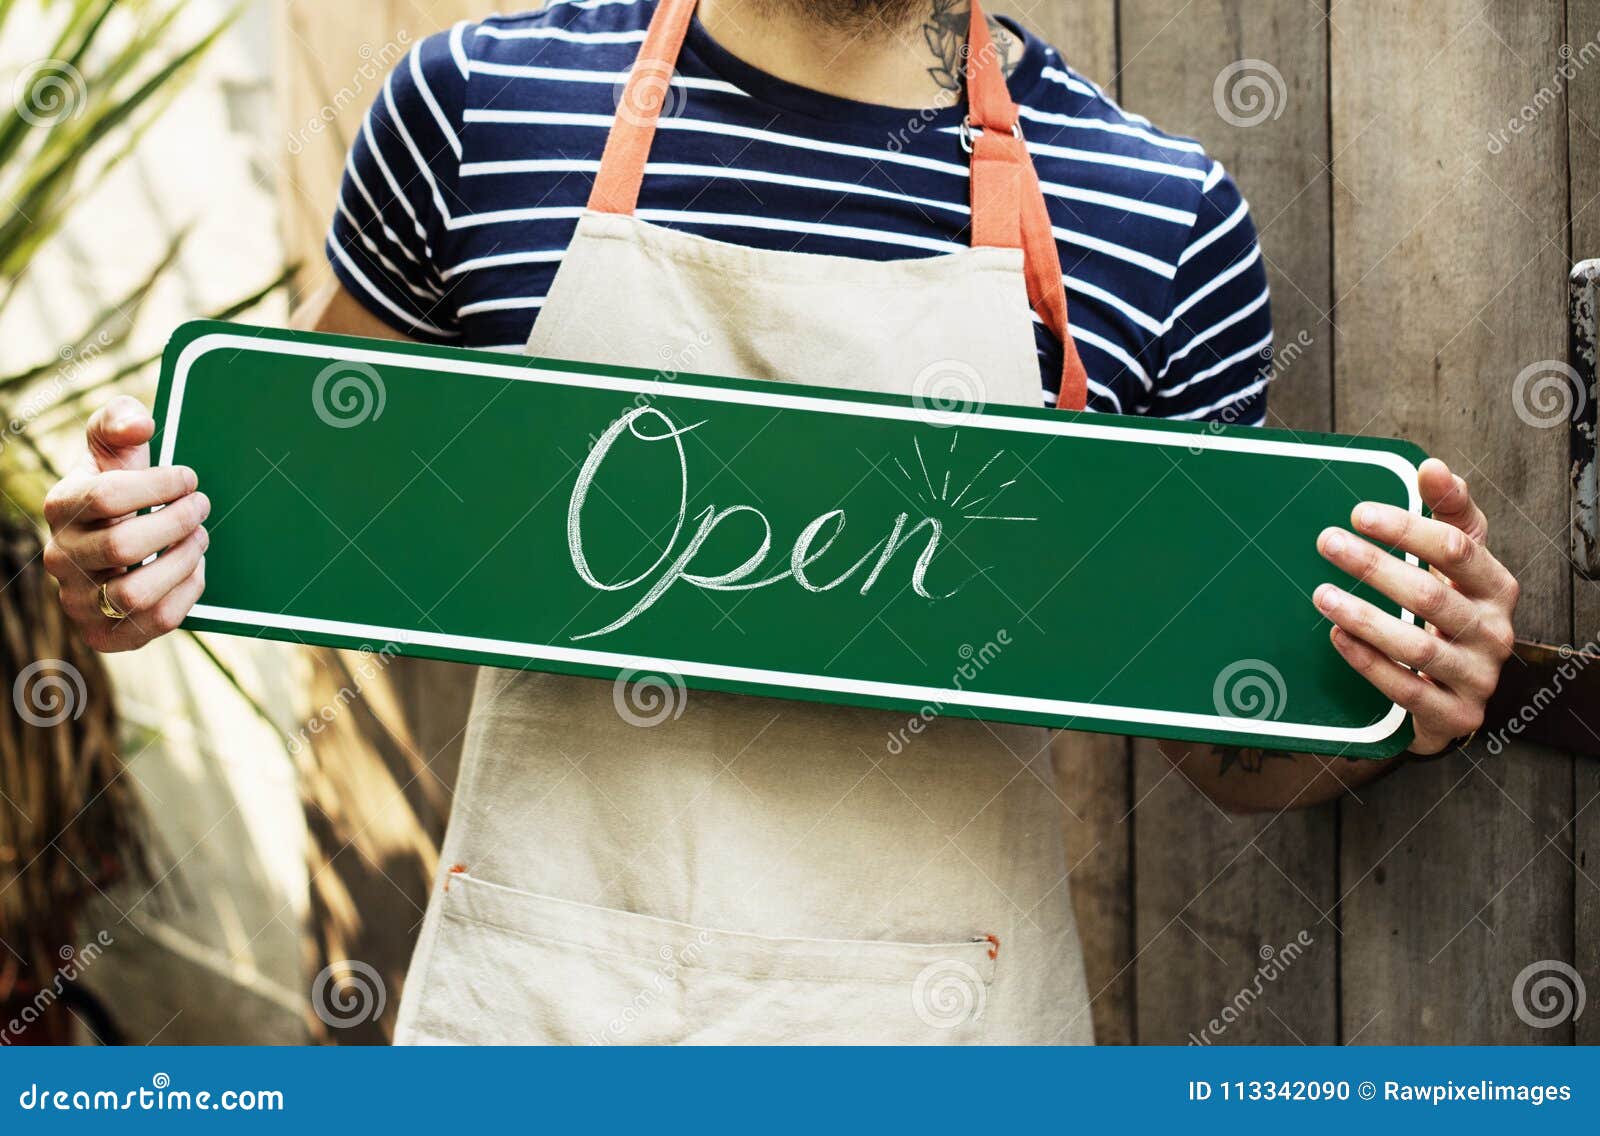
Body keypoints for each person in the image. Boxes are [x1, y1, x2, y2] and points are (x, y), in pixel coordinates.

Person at [40, 0, 1519, 1043]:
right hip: (545, 1010)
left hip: (947, 1028)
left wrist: (1393, 696)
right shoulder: (475, 112)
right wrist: (136, 557)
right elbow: (286, 510)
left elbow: (1230, 750)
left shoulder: (1154, 216)